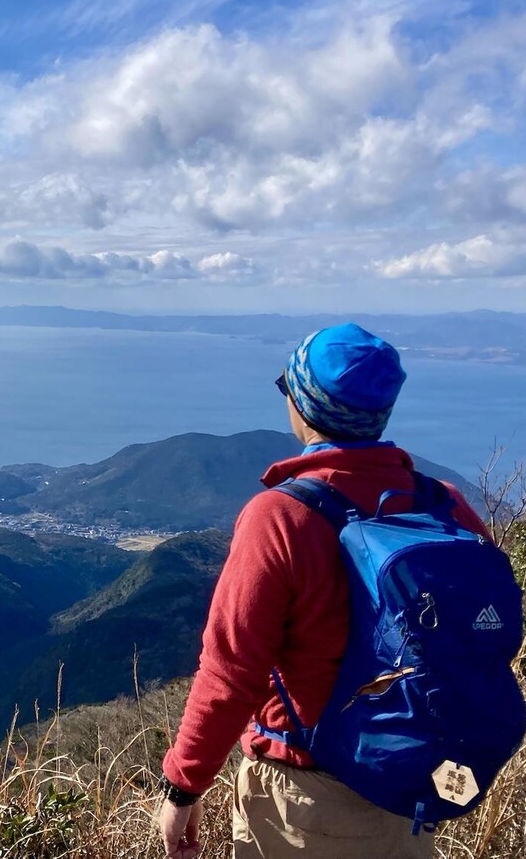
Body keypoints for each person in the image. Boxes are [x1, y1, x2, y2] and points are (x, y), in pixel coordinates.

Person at [155, 323, 492, 859]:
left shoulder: (281, 518)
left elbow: (231, 669)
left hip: (307, 801)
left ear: (306, 406)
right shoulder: (443, 504)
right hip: (410, 786)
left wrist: (183, 784)